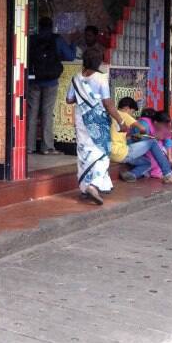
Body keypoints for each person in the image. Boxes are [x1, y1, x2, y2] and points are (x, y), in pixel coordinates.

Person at [66, 47, 125, 205]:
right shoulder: (101, 78)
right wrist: (121, 121)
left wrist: (83, 97)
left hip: (81, 120)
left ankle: (84, 188)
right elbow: (108, 103)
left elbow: (69, 100)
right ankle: (93, 185)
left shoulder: (76, 78)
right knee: (102, 153)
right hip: (98, 122)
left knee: (84, 152)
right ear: (98, 62)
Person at [27, 17, 76, 155]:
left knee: (32, 113)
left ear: (38, 26)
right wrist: (72, 42)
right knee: (47, 113)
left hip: (34, 80)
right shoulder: (57, 39)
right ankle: (47, 147)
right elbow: (70, 56)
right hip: (51, 81)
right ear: (51, 26)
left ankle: (29, 147)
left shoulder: (31, 39)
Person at [111, 98, 172, 185]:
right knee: (152, 142)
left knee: (147, 163)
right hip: (121, 153)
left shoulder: (110, 116)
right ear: (127, 108)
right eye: (132, 112)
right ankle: (168, 175)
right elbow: (142, 129)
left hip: (111, 153)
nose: (132, 115)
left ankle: (131, 174)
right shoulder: (123, 115)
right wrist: (149, 136)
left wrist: (134, 136)